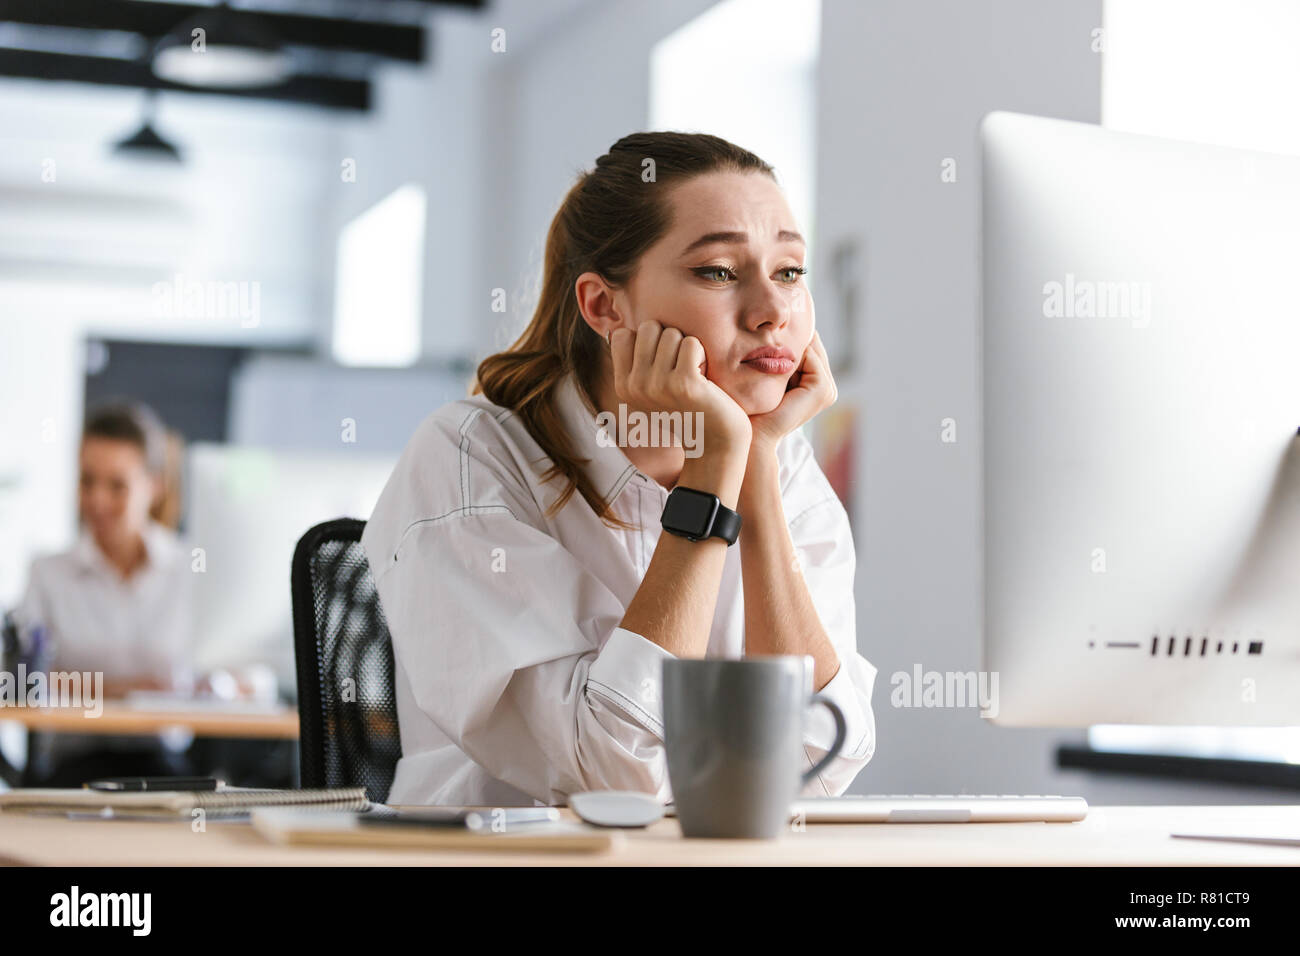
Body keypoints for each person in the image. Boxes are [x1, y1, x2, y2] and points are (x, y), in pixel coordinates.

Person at [362, 131, 878, 807]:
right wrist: (712, 473)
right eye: (719, 271)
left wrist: (751, 464)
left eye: (788, 271)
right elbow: (611, 775)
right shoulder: (470, 460)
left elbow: (819, 756)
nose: (773, 312)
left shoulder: (779, 465)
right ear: (606, 306)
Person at [14, 401, 195, 784]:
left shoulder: (188, 570)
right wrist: (124, 691)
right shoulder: (48, 572)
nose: (97, 500)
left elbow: (229, 672)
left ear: (154, 486)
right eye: (87, 481)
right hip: (73, 763)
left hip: (164, 763)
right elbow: (23, 679)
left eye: (116, 485)